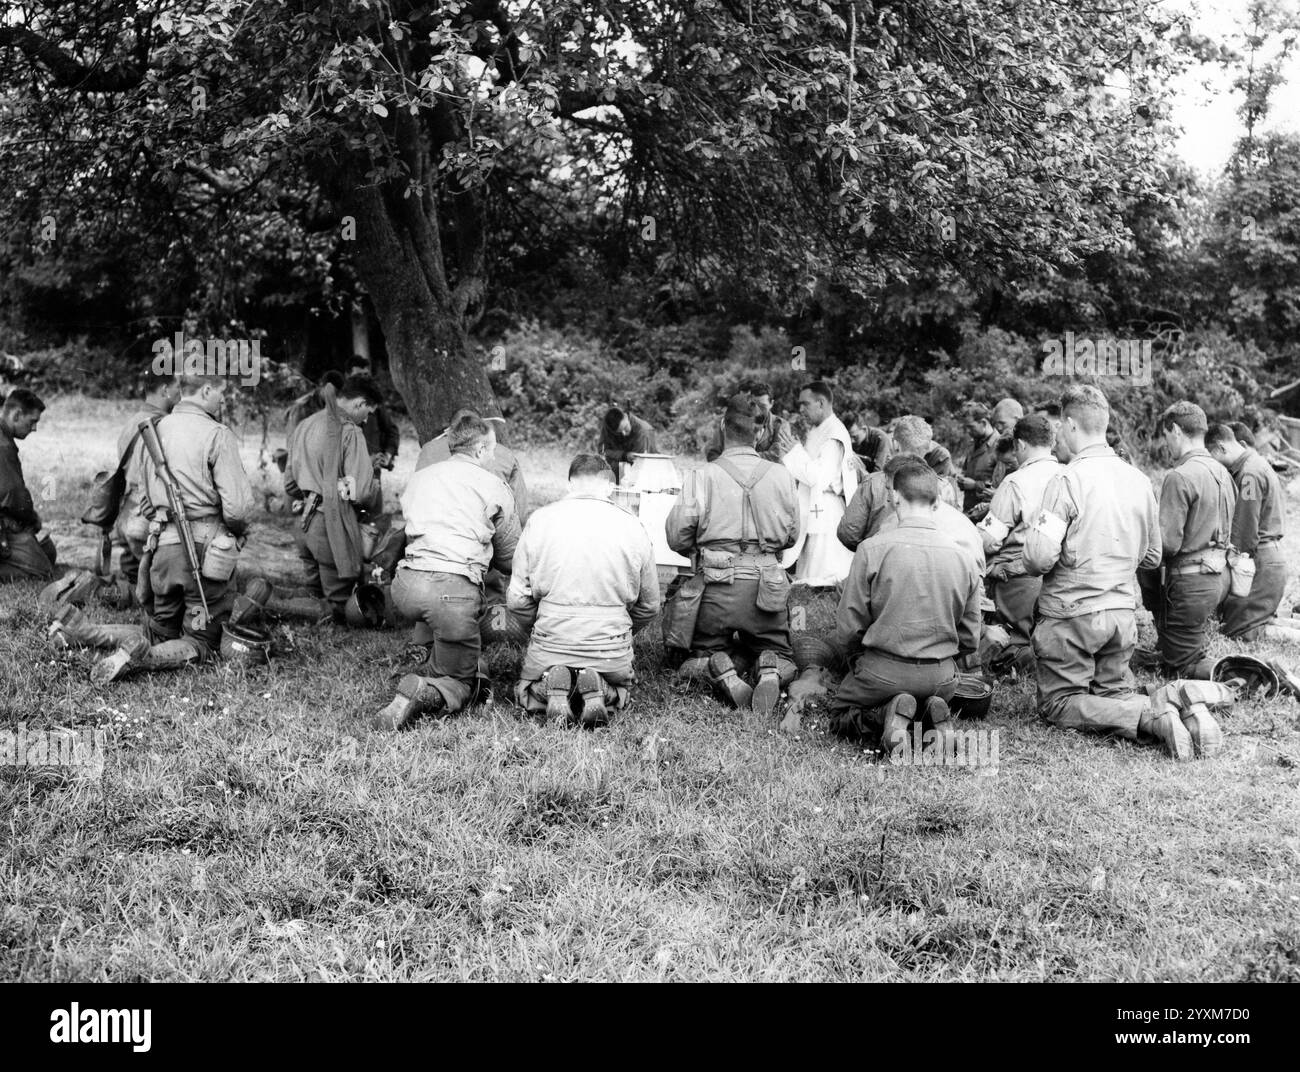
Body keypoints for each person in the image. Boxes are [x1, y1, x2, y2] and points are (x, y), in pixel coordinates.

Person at [1022, 385, 1234, 760]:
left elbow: (1038, 558)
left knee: (1057, 703)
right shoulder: (1138, 480)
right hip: (1121, 617)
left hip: (1072, 614)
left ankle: (1153, 715)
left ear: (1070, 425)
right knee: (1112, 693)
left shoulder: (1066, 480)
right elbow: (1153, 556)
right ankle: (1176, 701)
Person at [91, 374, 256, 682]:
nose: (224, 400)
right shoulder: (217, 434)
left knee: (159, 629)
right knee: (203, 641)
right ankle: (142, 659)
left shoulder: (154, 429)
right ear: (206, 390)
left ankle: (81, 632)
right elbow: (237, 508)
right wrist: (239, 529)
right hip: (204, 557)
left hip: (161, 552)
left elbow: (144, 502)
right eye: (222, 393)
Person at [375, 413, 520, 729]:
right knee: (461, 679)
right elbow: (509, 558)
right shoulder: (494, 485)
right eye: (491, 450)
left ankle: (442, 655)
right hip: (451, 593)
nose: (493, 456)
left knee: (442, 616)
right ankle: (426, 687)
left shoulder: (421, 478)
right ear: (481, 450)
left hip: (407, 585)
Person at [825, 460, 982, 750]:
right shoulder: (964, 558)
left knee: (839, 714)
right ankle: (928, 714)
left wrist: (858, 660)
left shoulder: (871, 549)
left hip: (882, 671)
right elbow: (971, 636)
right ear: (937, 503)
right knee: (927, 692)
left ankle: (887, 711)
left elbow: (848, 628)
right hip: (942, 677)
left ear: (894, 497)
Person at [666, 400, 801, 716]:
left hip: (717, 588)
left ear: (724, 428)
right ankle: (771, 669)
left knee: (702, 652)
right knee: (781, 654)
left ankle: (715, 663)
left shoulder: (702, 476)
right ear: (760, 432)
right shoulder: (782, 476)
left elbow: (676, 536)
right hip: (767, 591)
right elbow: (792, 536)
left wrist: (701, 549)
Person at [508, 453, 660, 726]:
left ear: (569, 485)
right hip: (610, 649)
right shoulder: (634, 525)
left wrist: (542, 625)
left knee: (527, 691)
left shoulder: (539, 521)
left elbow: (517, 599)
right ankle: (602, 688)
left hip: (550, 641)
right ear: (611, 487)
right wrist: (622, 628)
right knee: (621, 692)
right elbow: (650, 605)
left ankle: (550, 687)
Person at [283, 377, 384, 622]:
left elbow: (289, 482)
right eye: (368, 413)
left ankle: (282, 607)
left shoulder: (305, 424)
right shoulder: (350, 431)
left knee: (314, 590)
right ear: (360, 404)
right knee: (338, 608)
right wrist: (373, 487)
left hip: (304, 523)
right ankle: (278, 607)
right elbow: (360, 491)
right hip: (330, 526)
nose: (367, 419)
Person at [1152, 401, 1236, 679]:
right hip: (1218, 577)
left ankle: (1252, 673)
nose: (1167, 445)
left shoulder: (1180, 476)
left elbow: (1168, 544)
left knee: (1179, 667)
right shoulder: (1223, 471)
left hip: (1191, 584)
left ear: (1175, 430)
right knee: (1173, 653)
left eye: (1166, 436)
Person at [977, 414, 1063, 664]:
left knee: (1011, 644)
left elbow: (989, 539)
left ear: (1021, 445)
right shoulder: (1068, 474)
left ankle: (1029, 659)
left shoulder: (1015, 482)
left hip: (1018, 578)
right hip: (1058, 574)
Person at [1206, 423, 1289, 642]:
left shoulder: (1249, 474)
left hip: (1261, 561)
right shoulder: (1255, 465)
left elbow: (1245, 529)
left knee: (1239, 631)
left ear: (1221, 448)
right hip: (1269, 558)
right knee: (1245, 619)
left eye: (1211, 456)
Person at [772, 381, 859, 587]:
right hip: (815, 504)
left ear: (821, 403)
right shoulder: (820, 429)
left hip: (827, 510)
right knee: (810, 565)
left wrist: (794, 451)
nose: (801, 409)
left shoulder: (834, 434)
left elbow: (818, 477)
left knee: (824, 571)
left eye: (805, 404)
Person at [838, 416, 957, 550]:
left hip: (880, 563)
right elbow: (954, 533)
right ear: (928, 446)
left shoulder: (872, 484)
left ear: (895, 444)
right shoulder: (944, 488)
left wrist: (870, 551)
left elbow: (848, 533)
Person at [417, 411, 527, 513]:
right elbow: (519, 510)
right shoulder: (504, 454)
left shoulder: (428, 450)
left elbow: (418, 497)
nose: (493, 457)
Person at [0, 388, 56, 583]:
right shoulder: (3, 445)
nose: (34, 429)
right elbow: (12, 495)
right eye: (32, 421)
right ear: (16, 415)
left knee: (47, 551)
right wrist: (32, 518)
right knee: (42, 570)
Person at [705, 380, 792, 464]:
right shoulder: (731, 421)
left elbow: (778, 455)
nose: (758, 410)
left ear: (771, 404)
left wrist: (739, 459)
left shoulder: (780, 425)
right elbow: (712, 453)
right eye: (754, 405)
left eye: (762, 406)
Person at [344, 355, 401, 475]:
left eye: (366, 375)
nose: (363, 380)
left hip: (373, 474)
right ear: (347, 376)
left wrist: (387, 455)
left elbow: (391, 430)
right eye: (358, 376)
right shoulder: (339, 406)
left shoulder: (375, 402)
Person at [956, 402, 1002, 515]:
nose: (968, 432)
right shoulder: (973, 444)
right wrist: (962, 480)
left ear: (983, 422)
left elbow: (1002, 487)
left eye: (971, 427)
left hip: (986, 514)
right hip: (968, 511)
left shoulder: (1001, 446)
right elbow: (966, 470)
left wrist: (975, 485)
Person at [600, 406, 658, 484]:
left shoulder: (643, 432)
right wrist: (623, 455)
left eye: (625, 428)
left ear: (626, 417)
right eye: (619, 432)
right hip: (617, 473)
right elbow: (603, 451)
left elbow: (640, 464)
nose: (623, 434)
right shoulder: (609, 427)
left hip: (642, 474)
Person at [847, 409, 894, 473]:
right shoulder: (850, 442)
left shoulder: (880, 438)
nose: (851, 441)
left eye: (854, 437)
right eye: (848, 437)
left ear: (864, 429)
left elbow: (878, 470)